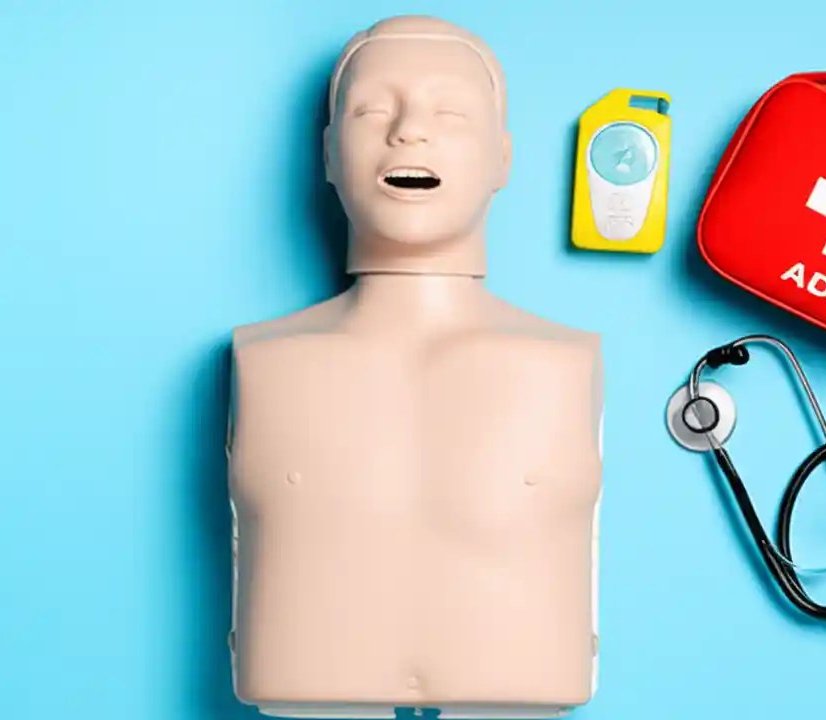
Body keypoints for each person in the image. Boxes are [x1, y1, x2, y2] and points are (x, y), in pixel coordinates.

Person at [227, 15, 602, 717]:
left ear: (504, 159)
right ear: (329, 155)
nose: (408, 131)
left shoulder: (568, 363)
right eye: (372, 109)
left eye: (451, 111)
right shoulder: (260, 359)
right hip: (300, 694)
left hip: (524, 690)